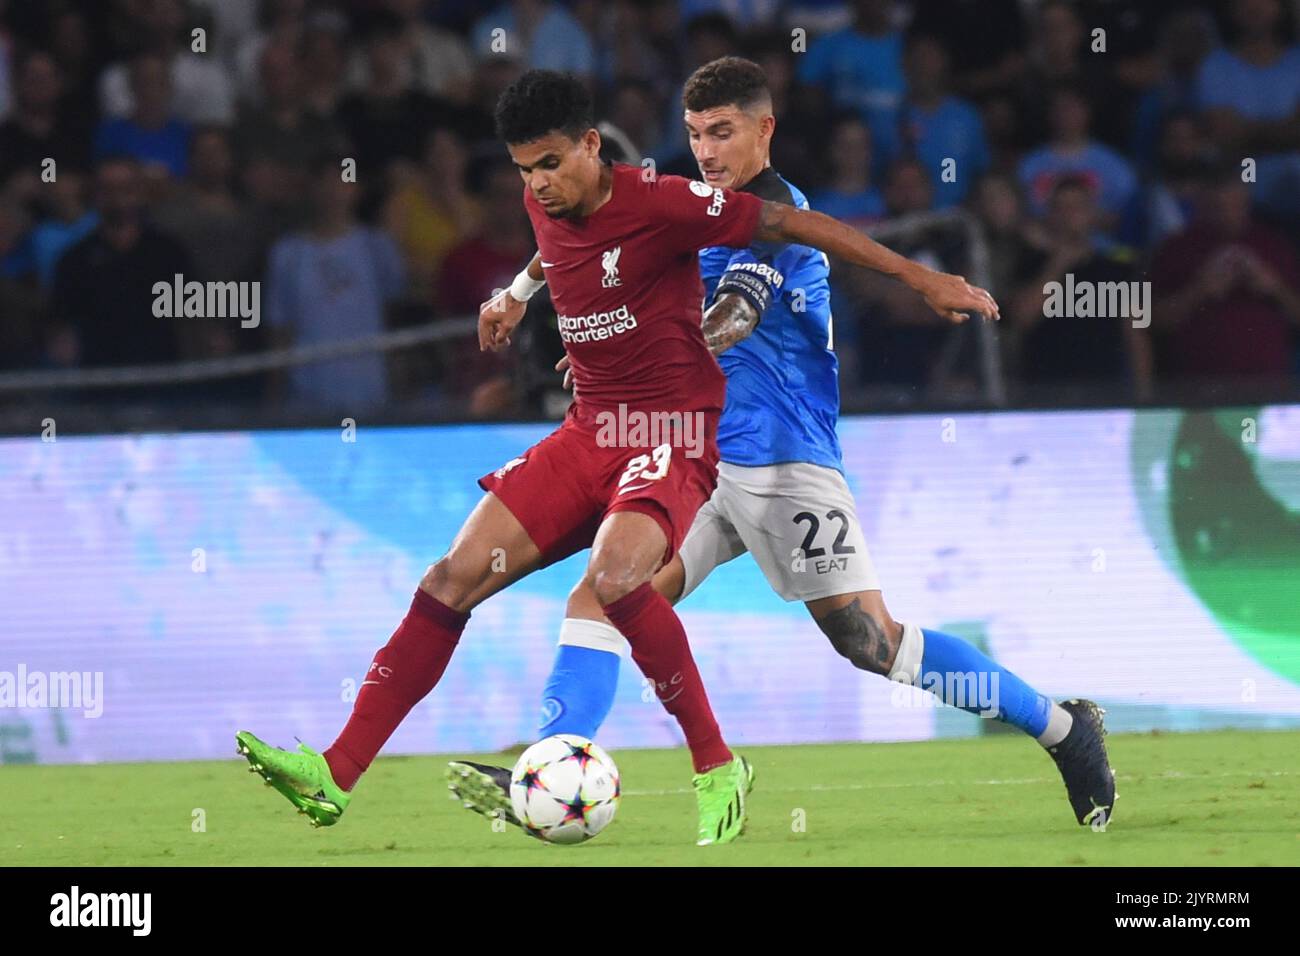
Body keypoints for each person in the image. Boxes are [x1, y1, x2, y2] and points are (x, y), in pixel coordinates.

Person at [237, 69, 999, 846]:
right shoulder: (546, 197)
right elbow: (548, 250)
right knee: (449, 578)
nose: (537, 185)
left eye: (551, 165)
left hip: (670, 433)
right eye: (524, 170)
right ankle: (335, 773)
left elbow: (791, 225)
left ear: (592, 147)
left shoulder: (663, 202)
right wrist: (513, 295)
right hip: (590, 432)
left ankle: (715, 764)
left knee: (614, 579)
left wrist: (921, 277)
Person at [446, 59, 1117, 837]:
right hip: (692, 451)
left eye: (723, 132)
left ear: (764, 129)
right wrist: (534, 300)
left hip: (784, 454)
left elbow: (730, 318)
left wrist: (634, 347)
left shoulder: (773, 213)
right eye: (696, 134)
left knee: (870, 642)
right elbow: (575, 239)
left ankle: (1065, 729)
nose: (707, 151)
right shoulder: (683, 205)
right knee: (607, 589)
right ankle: (550, 770)